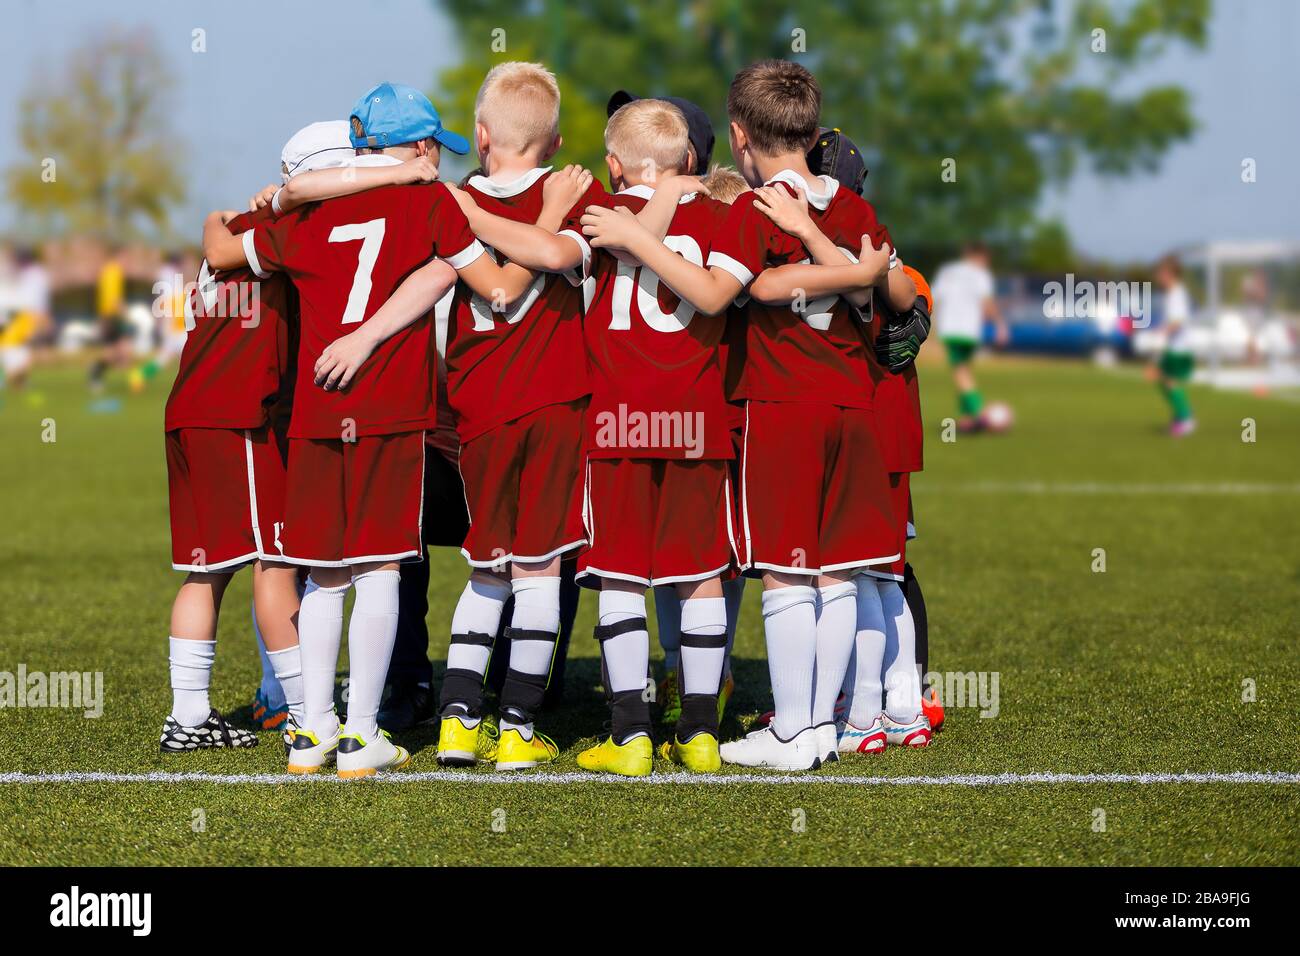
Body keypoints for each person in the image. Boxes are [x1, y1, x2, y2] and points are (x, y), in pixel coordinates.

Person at [581, 59, 915, 770]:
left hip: (782, 405)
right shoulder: (854, 210)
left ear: (739, 135)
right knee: (839, 575)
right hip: (852, 405)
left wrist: (641, 235)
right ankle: (825, 725)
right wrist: (852, 268)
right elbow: (895, 291)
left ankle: (794, 729)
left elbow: (719, 291)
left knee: (789, 575)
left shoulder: (750, 209)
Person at [202, 83, 539, 778]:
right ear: (417, 147)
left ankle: (311, 731)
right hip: (390, 406)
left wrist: (265, 201)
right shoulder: (432, 202)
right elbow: (500, 289)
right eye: (432, 149)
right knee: (381, 567)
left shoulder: (309, 213)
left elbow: (226, 250)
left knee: (325, 577)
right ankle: (361, 734)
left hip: (317, 411)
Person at [157, 122, 360, 754]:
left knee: (204, 572)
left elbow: (218, 243)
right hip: (236, 418)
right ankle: (308, 712)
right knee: (276, 564)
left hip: (189, 412)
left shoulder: (234, 225)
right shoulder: (284, 233)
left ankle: (188, 716)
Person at [931, 241, 1008, 432]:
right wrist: (1000, 325)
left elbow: (934, 297)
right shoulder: (980, 274)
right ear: (979, 256)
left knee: (961, 371)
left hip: (949, 328)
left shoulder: (948, 271)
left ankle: (974, 414)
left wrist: (930, 325)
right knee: (962, 370)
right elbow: (987, 302)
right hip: (969, 330)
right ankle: (973, 416)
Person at [1151, 255, 1196, 436]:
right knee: (1162, 380)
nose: (1158, 277)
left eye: (1160, 273)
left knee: (1170, 382)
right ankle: (1182, 416)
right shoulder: (1171, 293)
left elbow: (1178, 321)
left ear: (1169, 274)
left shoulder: (1177, 294)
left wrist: (1162, 331)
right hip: (1172, 347)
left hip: (1179, 348)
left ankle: (1186, 419)